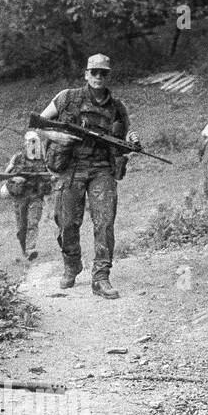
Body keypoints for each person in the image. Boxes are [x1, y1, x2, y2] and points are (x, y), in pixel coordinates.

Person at [39, 53, 141, 299]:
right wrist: (56, 136)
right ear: (86, 74)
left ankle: (101, 277)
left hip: (101, 169)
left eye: (103, 73)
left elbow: (120, 143)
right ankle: (72, 264)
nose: (98, 77)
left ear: (108, 76)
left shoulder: (117, 108)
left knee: (104, 221)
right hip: (70, 167)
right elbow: (38, 124)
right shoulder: (66, 98)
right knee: (66, 223)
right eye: (93, 72)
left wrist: (131, 142)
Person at [0, 130, 53, 260]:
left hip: (36, 195)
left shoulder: (43, 158)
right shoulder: (18, 157)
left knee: (33, 222)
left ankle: (30, 249)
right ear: (25, 142)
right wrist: (16, 178)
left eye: (34, 141)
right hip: (20, 196)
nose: (31, 144)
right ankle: (25, 249)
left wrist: (50, 179)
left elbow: (50, 173)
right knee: (21, 227)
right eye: (29, 141)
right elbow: (6, 174)